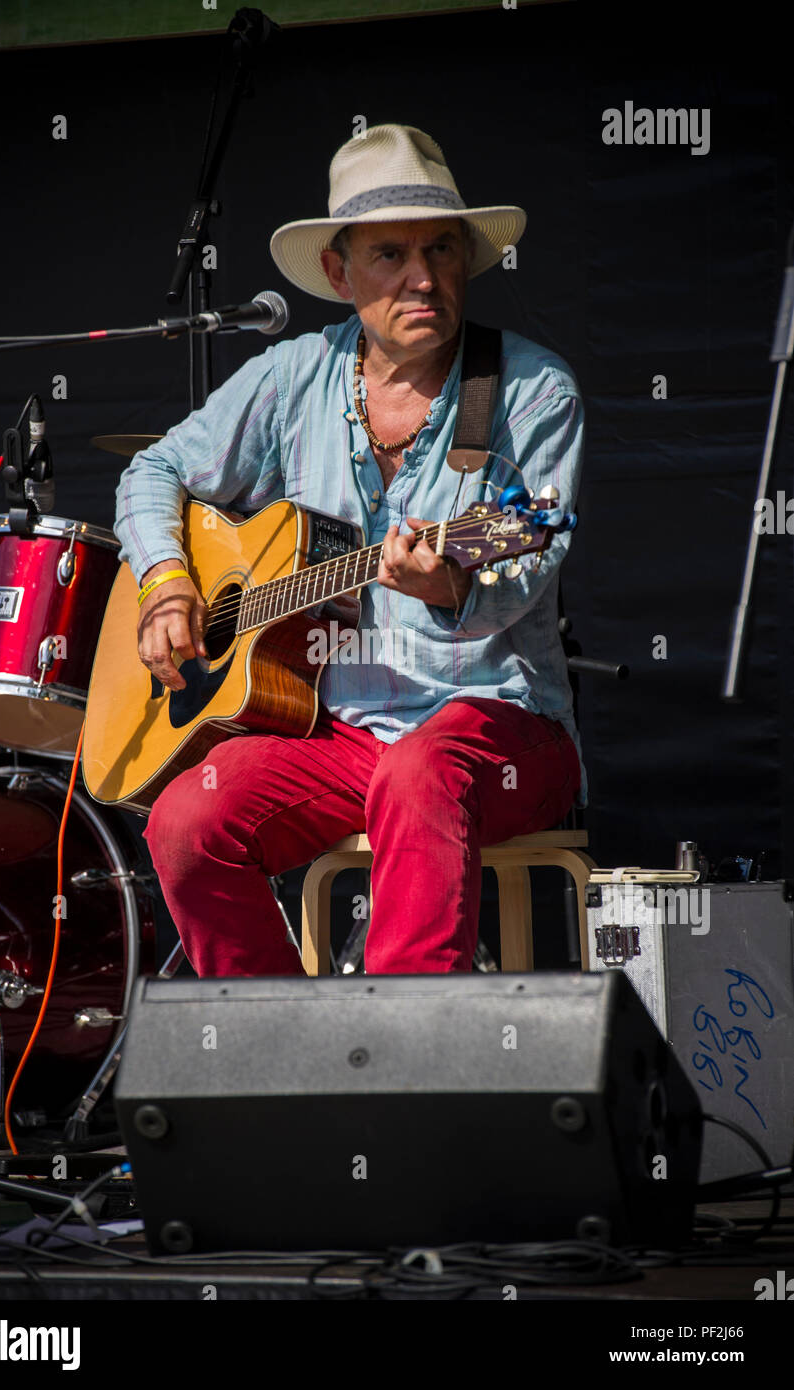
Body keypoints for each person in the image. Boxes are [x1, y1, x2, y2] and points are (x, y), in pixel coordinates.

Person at [114, 123, 585, 977]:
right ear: (338, 274)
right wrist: (168, 583)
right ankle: (276, 1061)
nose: (422, 276)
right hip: (338, 735)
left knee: (419, 771)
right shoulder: (291, 374)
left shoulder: (528, 390)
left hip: (504, 732)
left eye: (442, 248)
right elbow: (155, 469)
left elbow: (526, 560)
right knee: (186, 820)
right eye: (389, 254)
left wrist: (446, 587)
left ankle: (396, 1068)